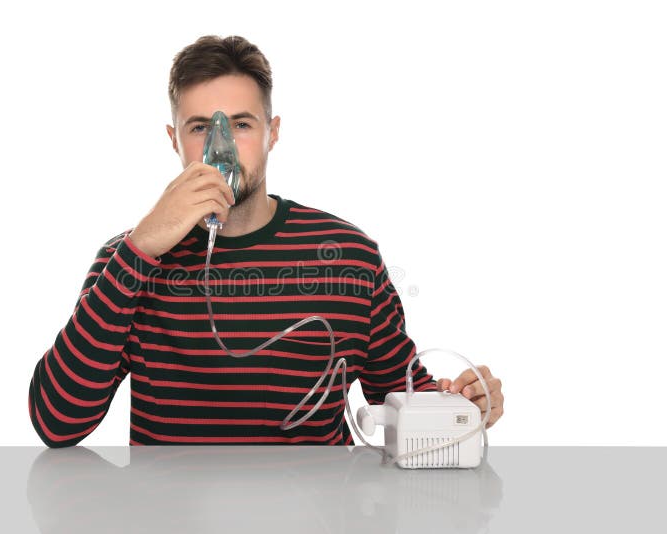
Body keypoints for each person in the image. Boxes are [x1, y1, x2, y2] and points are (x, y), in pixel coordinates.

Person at [27, 35, 505, 447]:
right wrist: (140, 250)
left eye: (240, 124)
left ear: (272, 132)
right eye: (200, 128)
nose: (222, 148)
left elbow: (407, 406)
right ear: (174, 139)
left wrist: (462, 404)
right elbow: (57, 423)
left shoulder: (348, 257)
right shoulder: (126, 258)